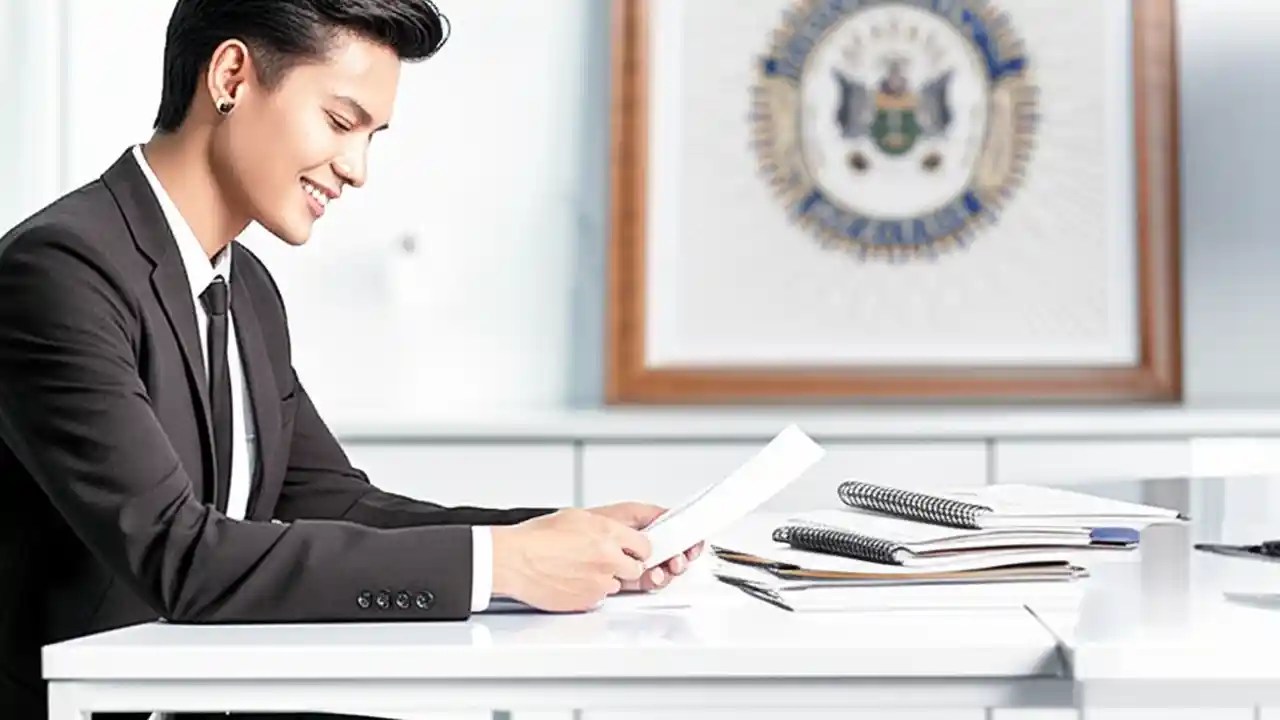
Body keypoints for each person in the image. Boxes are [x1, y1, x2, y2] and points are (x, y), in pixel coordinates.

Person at [0, 1, 704, 717]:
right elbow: (181, 557)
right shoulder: (61, 269)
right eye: (341, 122)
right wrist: (504, 564)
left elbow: (333, 502)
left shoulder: (245, 289)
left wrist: (568, 538)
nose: (357, 169)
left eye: (373, 136)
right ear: (233, 76)